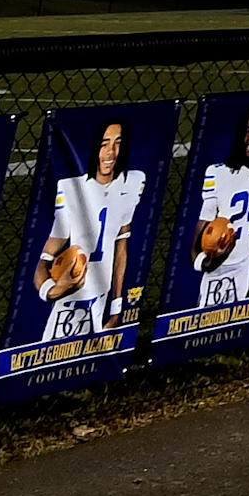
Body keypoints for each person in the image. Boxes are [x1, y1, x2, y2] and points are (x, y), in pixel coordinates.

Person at [40, 118, 144, 343]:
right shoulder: (70, 188)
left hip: (101, 296)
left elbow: (121, 248)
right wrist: (54, 290)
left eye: (117, 143)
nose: (111, 152)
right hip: (70, 299)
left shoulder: (132, 183)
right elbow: (45, 260)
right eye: (104, 144)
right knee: (55, 355)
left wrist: (116, 307)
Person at [191, 106, 249, 310]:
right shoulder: (218, 174)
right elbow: (196, 242)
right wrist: (206, 263)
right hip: (218, 270)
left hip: (243, 269)